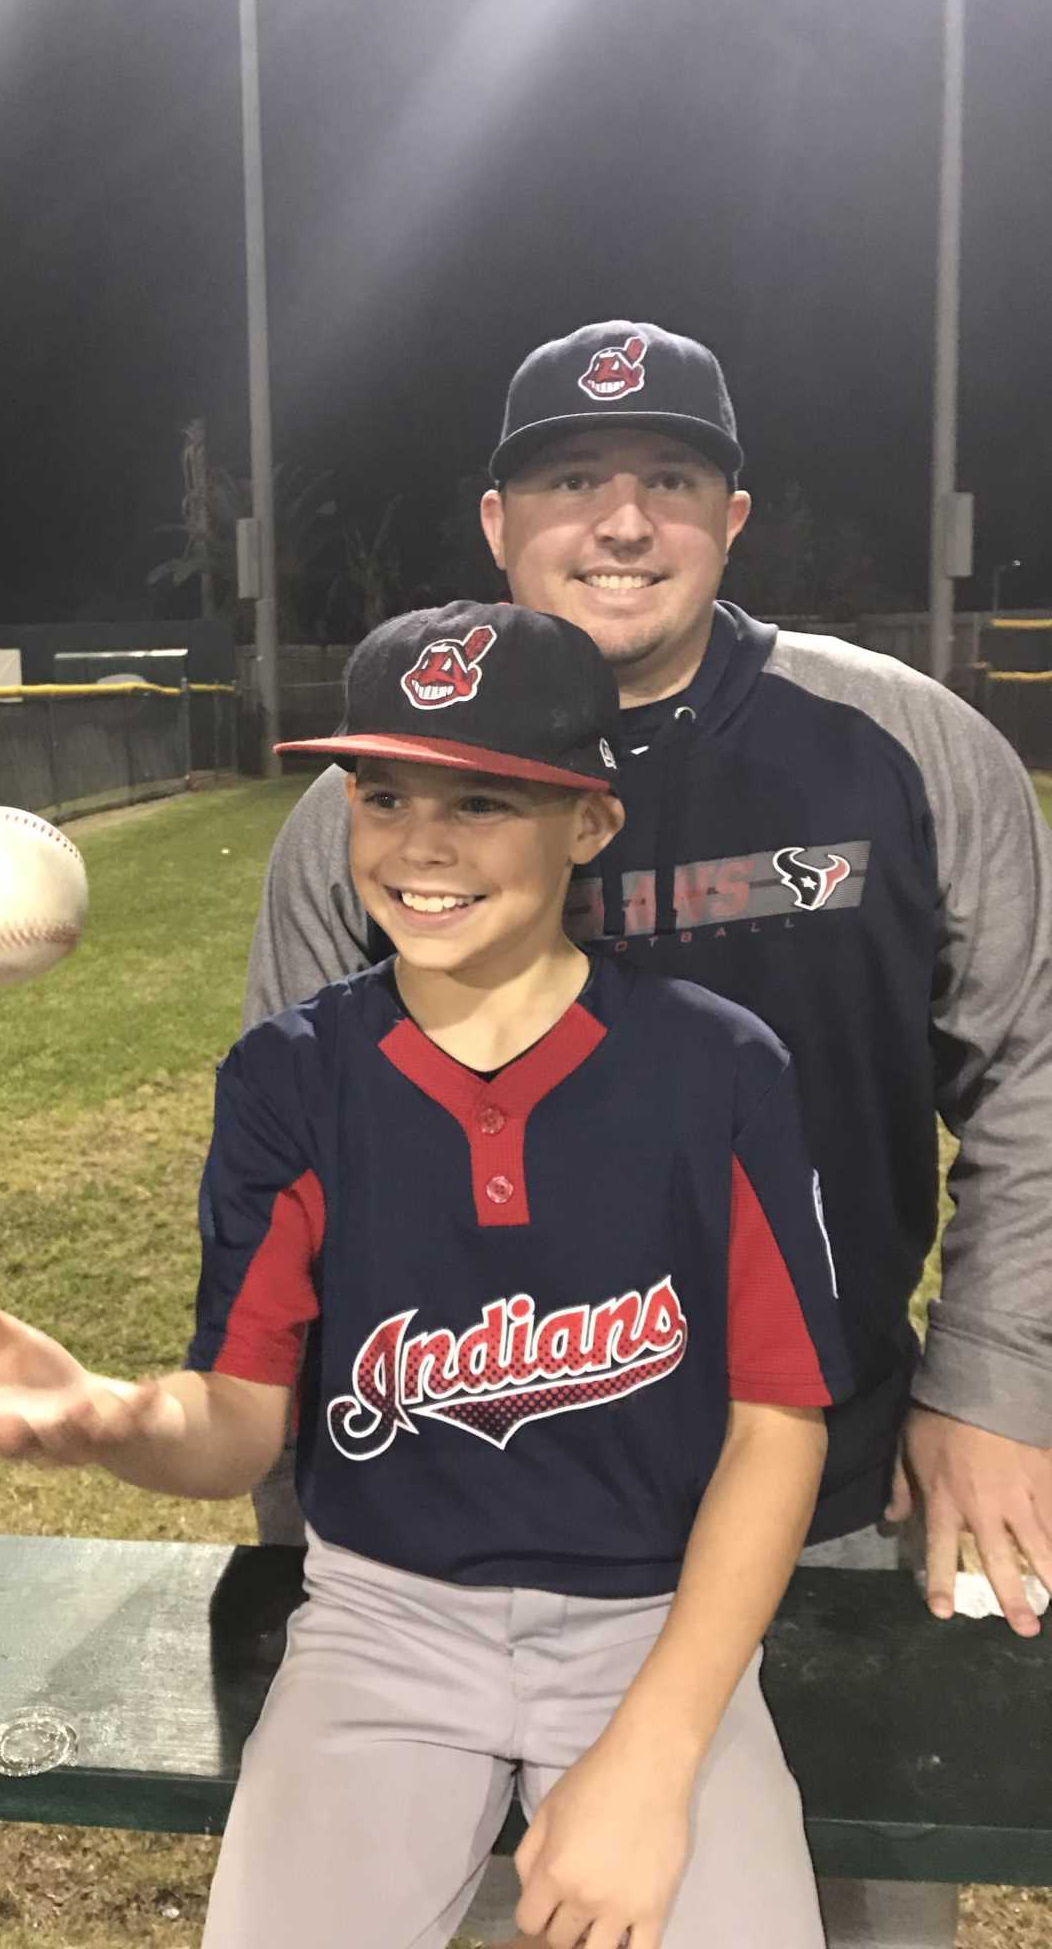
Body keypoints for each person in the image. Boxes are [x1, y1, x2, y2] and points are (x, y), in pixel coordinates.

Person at [242, 319, 1052, 1948]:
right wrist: (302, 1503)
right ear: (496, 523)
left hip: (828, 1481)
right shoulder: (370, 825)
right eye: (570, 479)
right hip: (477, 1513)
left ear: (734, 516)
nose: (621, 522)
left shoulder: (904, 745)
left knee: (857, 1906)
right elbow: (305, 1185)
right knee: (493, 1912)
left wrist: (993, 1378)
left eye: (670, 478)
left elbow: (1030, 1075)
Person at [0, 600, 853, 1949]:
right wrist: (116, 1424)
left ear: (589, 819)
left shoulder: (718, 1068)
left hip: (659, 1626)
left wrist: (651, 1762)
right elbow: (237, 1424)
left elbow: (777, 1426)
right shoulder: (294, 1077)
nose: (420, 844)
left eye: (484, 800)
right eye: (384, 792)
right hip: (381, 1627)